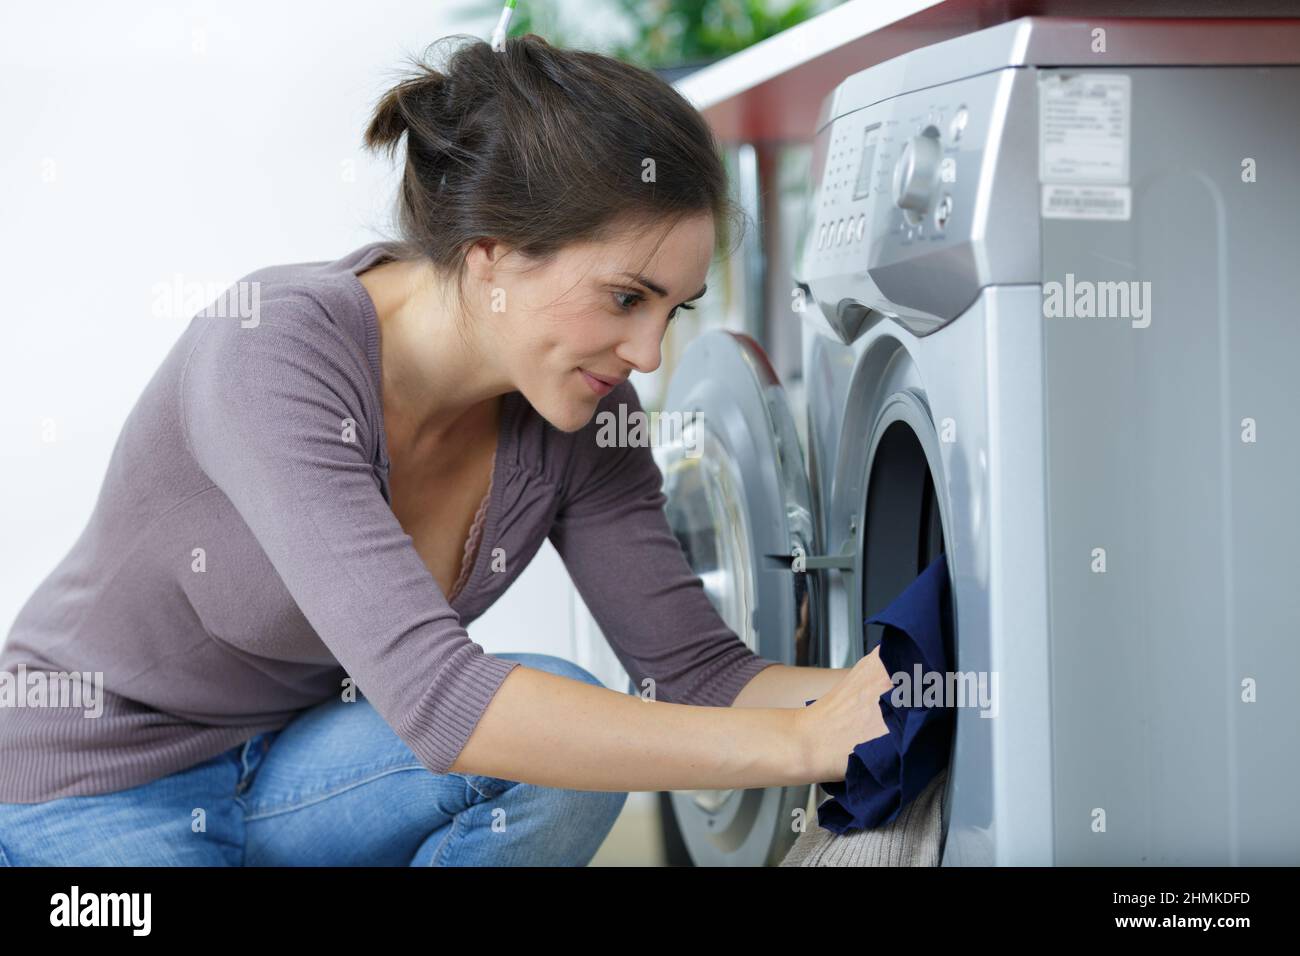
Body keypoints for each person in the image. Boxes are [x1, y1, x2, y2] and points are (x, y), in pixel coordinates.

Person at [0, 33, 891, 867]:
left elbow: (700, 672)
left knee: (555, 733)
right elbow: (440, 701)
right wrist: (800, 744)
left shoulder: (577, 407)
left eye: (674, 310)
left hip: (302, 767)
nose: (648, 355)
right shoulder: (273, 350)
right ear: (490, 253)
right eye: (626, 298)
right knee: (530, 717)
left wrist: (896, 695)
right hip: (95, 779)